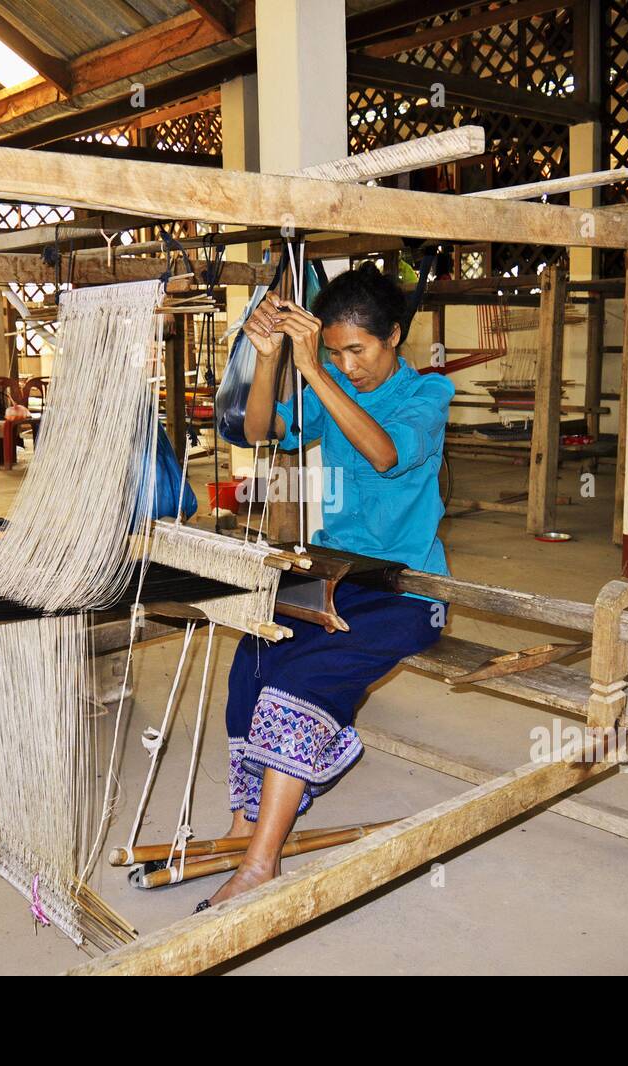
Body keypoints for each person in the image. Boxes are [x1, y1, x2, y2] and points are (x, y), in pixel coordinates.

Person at [200, 263, 454, 909]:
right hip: (341, 577)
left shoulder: (427, 395)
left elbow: (385, 454)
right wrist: (266, 362)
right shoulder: (331, 382)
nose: (348, 363)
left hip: (409, 591)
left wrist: (314, 369)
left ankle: (263, 864)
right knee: (254, 656)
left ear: (394, 336)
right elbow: (259, 432)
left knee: (302, 681)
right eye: (336, 350)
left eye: (357, 350)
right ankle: (243, 824)